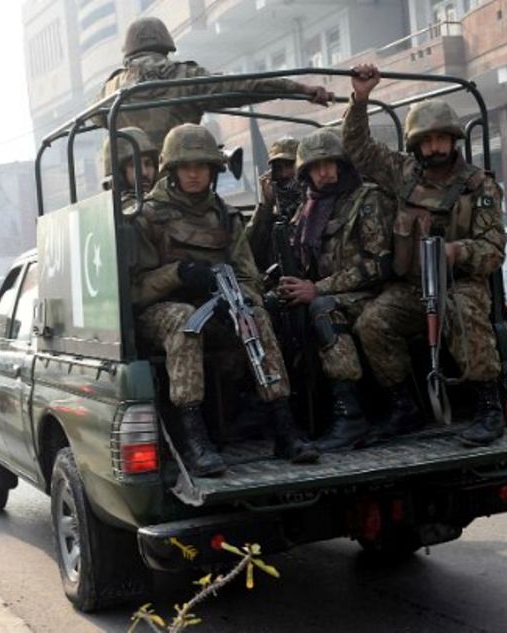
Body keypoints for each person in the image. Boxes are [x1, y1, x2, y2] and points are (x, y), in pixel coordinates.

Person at [132, 123, 318, 477]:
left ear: (213, 171)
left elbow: (248, 276)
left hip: (216, 308)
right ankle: (194, 438)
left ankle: (283, 427)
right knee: (184, 321)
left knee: (256, 317)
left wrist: (233, 300)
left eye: (201, 166)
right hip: (160, 315)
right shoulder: (147, 217)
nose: (193, 174)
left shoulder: (224, 216)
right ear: (171, 169)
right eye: (185, 166)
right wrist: (179, 274)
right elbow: (135, 290)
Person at [342, 63, 507, 447]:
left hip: (459, 285)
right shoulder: (404, 173)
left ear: (453, 140)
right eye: (426, 141)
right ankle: (404, 405)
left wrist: (456, 251)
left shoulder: (477, 186)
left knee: (464, 314)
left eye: (441, 140)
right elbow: (359, 150)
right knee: (373, 321)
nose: (434, 148)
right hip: (413, 288)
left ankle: (488, 407)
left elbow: (494, 250)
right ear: (416, 144)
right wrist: (361, 99)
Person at [274, 129, 393, 452]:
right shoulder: (307, 210)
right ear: (306, 173)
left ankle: (350, 414)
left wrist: (317, 289)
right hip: (326, 292)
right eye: (316, 166)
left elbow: (379, 264)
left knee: (322, 308)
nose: (325, 172)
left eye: (330, 164)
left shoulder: (366, 199)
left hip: (370, 293)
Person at [96, 17, 332, 150]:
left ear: (129, 51)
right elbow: (242, 87)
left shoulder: (110, 89)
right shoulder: (185, 76)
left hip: (130, 190)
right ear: (165, 46)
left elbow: (91, 119)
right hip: (183, 178)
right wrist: (299, 89)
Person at [245, 136, 304, 272]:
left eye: (289, 166)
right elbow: (248, 253)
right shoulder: (273, 216)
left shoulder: (313, 206)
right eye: (277, 168)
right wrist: (266, 206)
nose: (283, 174)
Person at [99, 126, 158, 195]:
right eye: (134, 165)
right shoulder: (110, 205)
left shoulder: (164, 200)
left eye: (148, 164)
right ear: (119, 174)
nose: (144, 172)